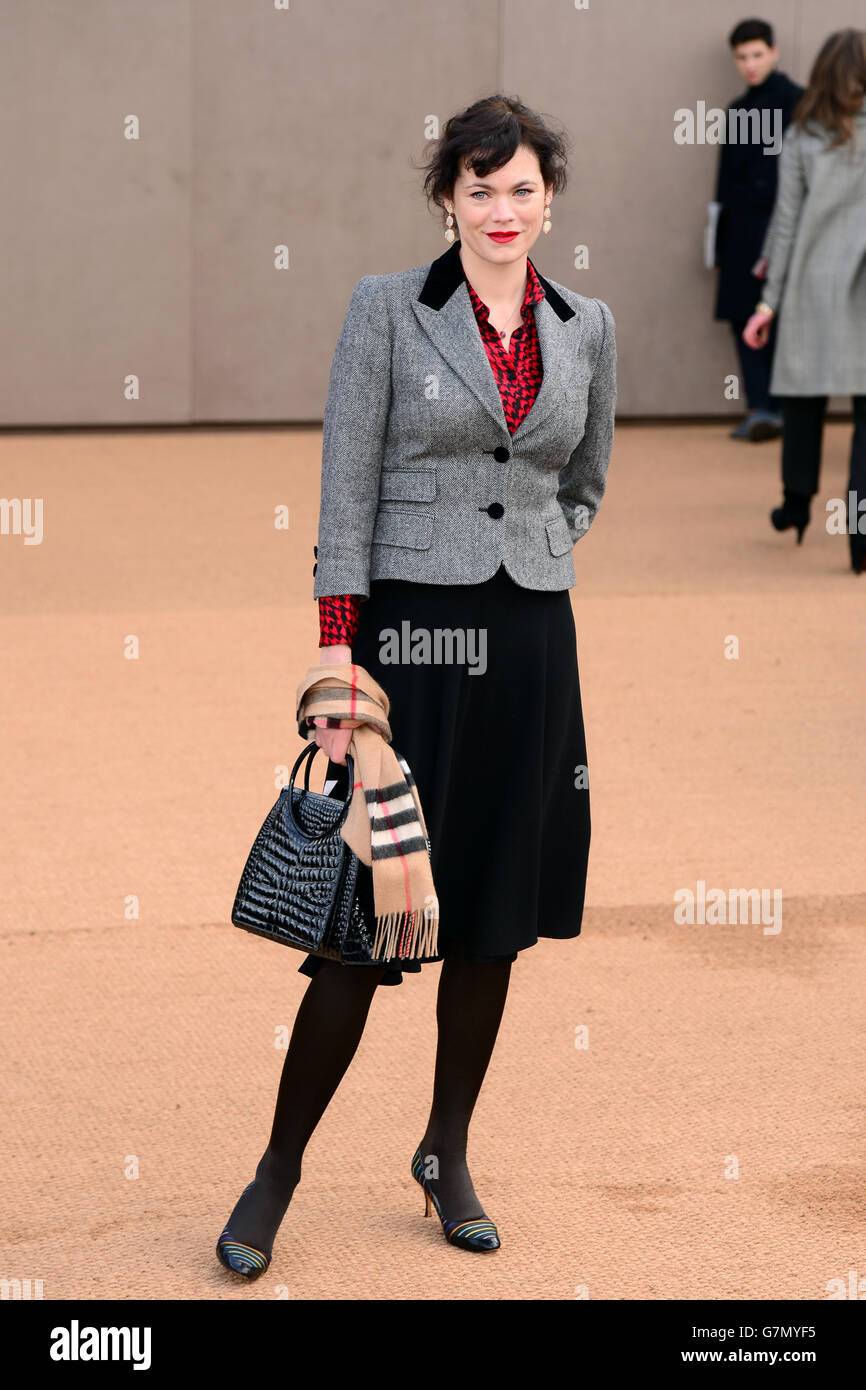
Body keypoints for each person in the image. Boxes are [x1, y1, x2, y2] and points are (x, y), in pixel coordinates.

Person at [216, 94, 616, 1277]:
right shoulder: (386, 310)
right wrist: (341, 662)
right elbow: (343, 494)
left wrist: (532, 553)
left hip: (531, 647)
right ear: (446, 196)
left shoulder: (587, 323)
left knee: (489, 917)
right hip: (409, 652)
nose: (502, 209)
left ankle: (445, 1151)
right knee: (361, 923)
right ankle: (276, 1169)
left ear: (550, 199)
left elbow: (583, 478)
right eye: (479, 187)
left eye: (522, 188)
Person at [743, 28, 866, 574]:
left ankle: (795, 505)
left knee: (803, 401)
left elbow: (786, 226)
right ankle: (861, 543)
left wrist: (767, 306)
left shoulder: (802, 137)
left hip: (813, 286)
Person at [713, 17, 804, 441]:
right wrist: (718, 239)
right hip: (742, 232)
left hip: (789, 230)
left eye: (757, 54)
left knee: (786, 317)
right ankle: (760, 408)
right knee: (742, 316)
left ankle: (789, 411)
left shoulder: (800, 103)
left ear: (774, 52)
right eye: (742, 57)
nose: (750, 64)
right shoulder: (736, 111)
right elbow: (725, 181)